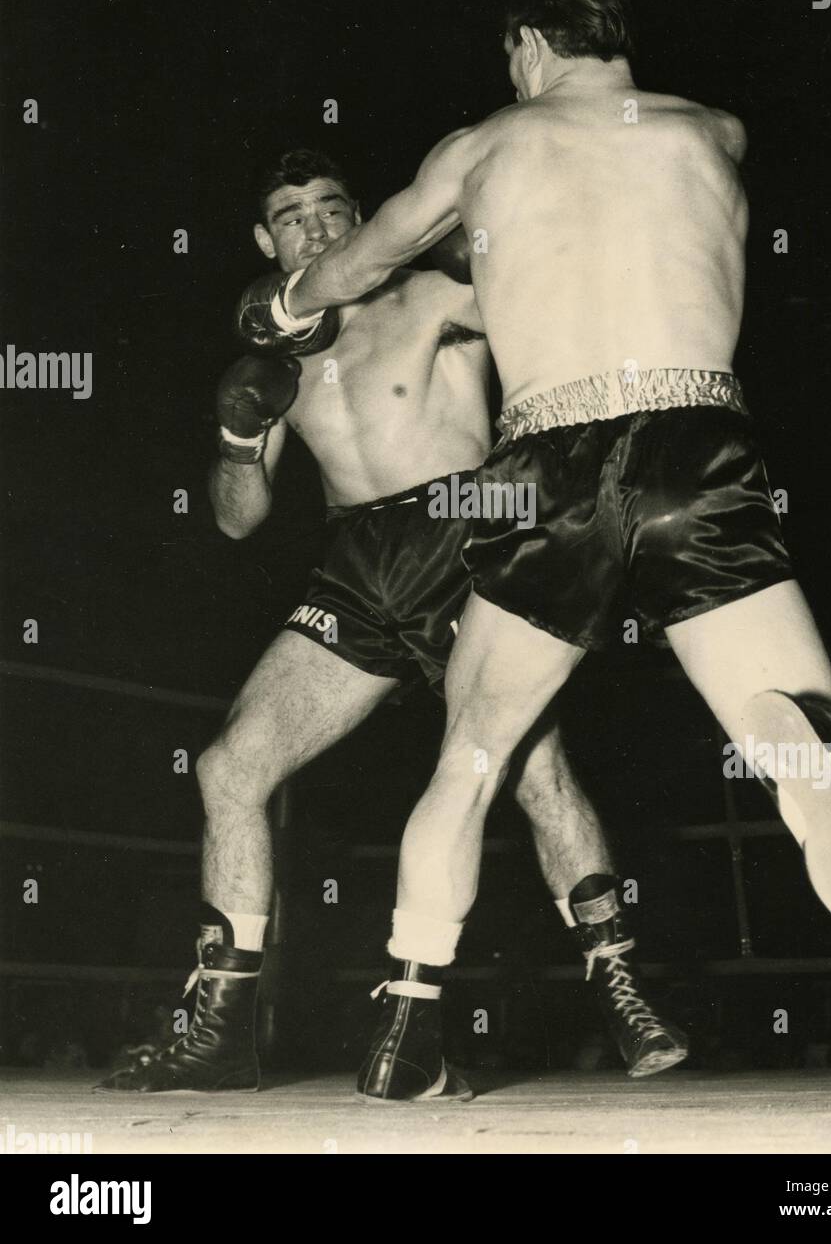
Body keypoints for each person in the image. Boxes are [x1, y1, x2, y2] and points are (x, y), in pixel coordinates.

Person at [239, 0, 831, 1095]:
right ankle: (789, 749)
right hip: (700, 441)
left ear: (530, 47)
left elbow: (362, 257)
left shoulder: (485, 146)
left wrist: (287, 301)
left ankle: (407, 1015)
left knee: (473, 753)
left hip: (552, 460)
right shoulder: (716, 134)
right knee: (802, 702)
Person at [96, 146, 686, 1100]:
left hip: (466, 539)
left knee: (534, 775)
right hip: (355, 568)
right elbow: (237, 517)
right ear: (265, 242)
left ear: (365, 218)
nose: (318, 231)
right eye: (293, 218)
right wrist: (238, 436)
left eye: (333, 211)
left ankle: (621, 990)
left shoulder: (432, 300)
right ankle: (221, 1030)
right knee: (230, 768)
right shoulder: (278, 361)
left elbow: (556, 302)